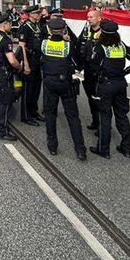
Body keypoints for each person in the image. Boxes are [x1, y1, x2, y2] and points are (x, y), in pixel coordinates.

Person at [88, 19, 130, 159]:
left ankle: (103, 149)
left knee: (105, 116)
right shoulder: (122, 46)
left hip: (105, 84)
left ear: (102, 32)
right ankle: (126, 148)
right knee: (122, 115)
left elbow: (93, 67)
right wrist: (124, 72)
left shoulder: (100, 47)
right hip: (120, 83)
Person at [40, 18, 87, 160]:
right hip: (65, 83)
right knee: (73, 117)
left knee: (50, 114)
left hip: (49, 81)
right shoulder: (68, 45)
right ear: (63, 30)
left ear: (50, 30)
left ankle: (52, 146)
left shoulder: (44, 43)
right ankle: (80, 150)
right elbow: (78, 64)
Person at [0, 12, 22, 141]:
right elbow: (12, 61)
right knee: (5, 101)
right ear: (5, 24)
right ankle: (1, 131)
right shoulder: (5, 40)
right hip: (4, 73)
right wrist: (19, 67)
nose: (11, 26)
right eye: (10, 24)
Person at [17, 5, 45, 126]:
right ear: (31, 14)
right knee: (28, 89)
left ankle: (33, 111)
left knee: (36, 88)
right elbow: (22, 46)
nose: (39, 15)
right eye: (37, 13)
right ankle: (26, 115)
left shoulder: (38, 26)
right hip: (29, 59)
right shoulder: (25, 27)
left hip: (38, 60)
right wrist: (26, 64)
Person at [78, 8, 103, 132]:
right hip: (88, 68)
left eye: (91, 17)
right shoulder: (86, 32)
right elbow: (79, 46)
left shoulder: (104, 33)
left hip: (99, 70)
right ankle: (95, 120)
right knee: (90, 96)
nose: (88, 19)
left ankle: (103, 125)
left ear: (99, 18)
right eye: (87, 17)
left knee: (99, 98)